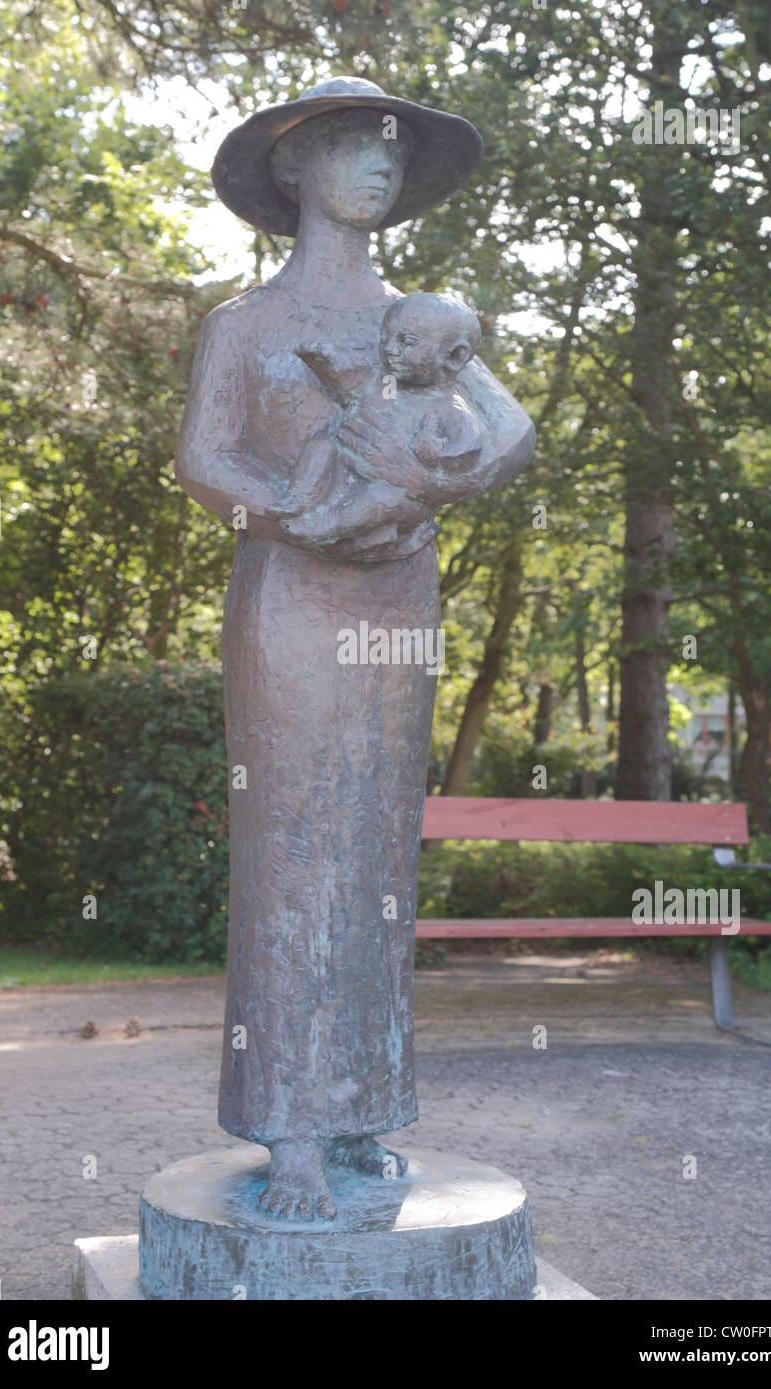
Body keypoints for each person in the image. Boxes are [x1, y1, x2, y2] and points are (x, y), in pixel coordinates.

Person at [176, 76, 535, 1221]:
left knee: (375, 849)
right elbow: (203, 461)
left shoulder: (424, 322)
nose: (378, 168)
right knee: (291, 851)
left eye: (390, 152)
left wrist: (420, 486)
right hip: (288, 601)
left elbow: (495, 441)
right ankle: (287, 1125)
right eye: (351, 147)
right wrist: (302, 510)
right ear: (294, 170)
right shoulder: (244, 326)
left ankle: (364, 1103)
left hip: (397, 603)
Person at [267, 292, 485, 545]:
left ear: (454, 356)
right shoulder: (386, 383)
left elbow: (466, 451)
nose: (391, 349)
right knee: (322, 445)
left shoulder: (454, 412)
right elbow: (350, 380)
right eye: (385, 339)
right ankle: (300, 497)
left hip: (399, 495)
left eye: (407, 341)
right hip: (352, 460)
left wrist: (435, 453)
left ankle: (331, 524)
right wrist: (323, 361)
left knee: (384, 499)